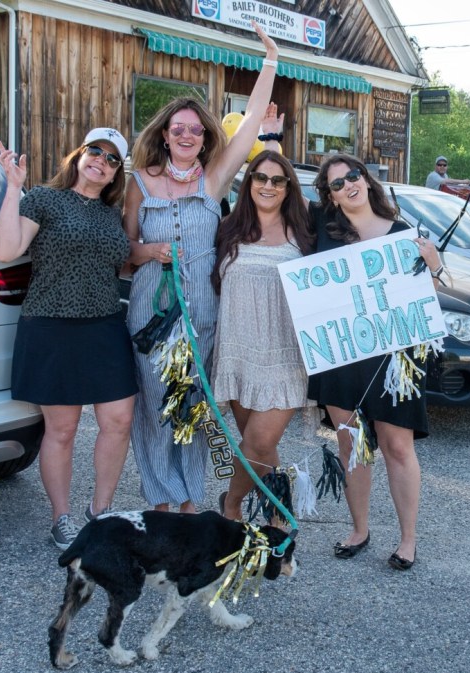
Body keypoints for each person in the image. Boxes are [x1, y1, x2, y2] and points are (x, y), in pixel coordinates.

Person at [124, 20, 279, 513]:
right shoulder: (140, 182)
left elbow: (252, 121)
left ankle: (190, 500)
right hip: (151, 314)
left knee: (194, 406)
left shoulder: (212, 181)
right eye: (178, 128)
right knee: (153, 408)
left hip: (203, 315)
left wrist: (270, 59)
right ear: (165, 136)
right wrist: (150, 252)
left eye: (196, 128)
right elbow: (124, 250)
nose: (187, 134)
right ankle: (160, 501)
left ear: (204, 136)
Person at [0, 128, 136, 549]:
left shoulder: (113, 214)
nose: (101, 161)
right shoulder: (43, 199)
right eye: (95, 151)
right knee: (62, 430)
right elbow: (6, 249)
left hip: (105, 326)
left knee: (119, 421)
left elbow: (121, 264)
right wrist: (12, 189)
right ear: (79, 155)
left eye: (112, 160)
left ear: (115, 175)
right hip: (52, 327)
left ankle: (101, 511)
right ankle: (62, 518)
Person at [310, 153, 443, 571]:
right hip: (342, 354)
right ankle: (359, 529)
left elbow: (426, 300)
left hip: (392, 358)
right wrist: (271, 140)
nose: (348, 184)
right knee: (352, 445)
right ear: (330, 197)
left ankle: (408, 539)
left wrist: (436, 267)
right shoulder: (325, 232)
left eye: (353, 176)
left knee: (397, 447)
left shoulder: (403, 233)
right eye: (337, 184)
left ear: (366, 181)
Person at [212, 151, 318, 521]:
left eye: (278, 180)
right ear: (249, 182)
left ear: (290, 187)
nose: (268, 186)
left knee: (258, 443)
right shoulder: (227, 227)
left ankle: (231, 506)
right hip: (237, 351)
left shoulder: (305, 231)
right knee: (261, 450)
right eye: (260, 177)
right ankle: (278, 512)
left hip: (285, 355)